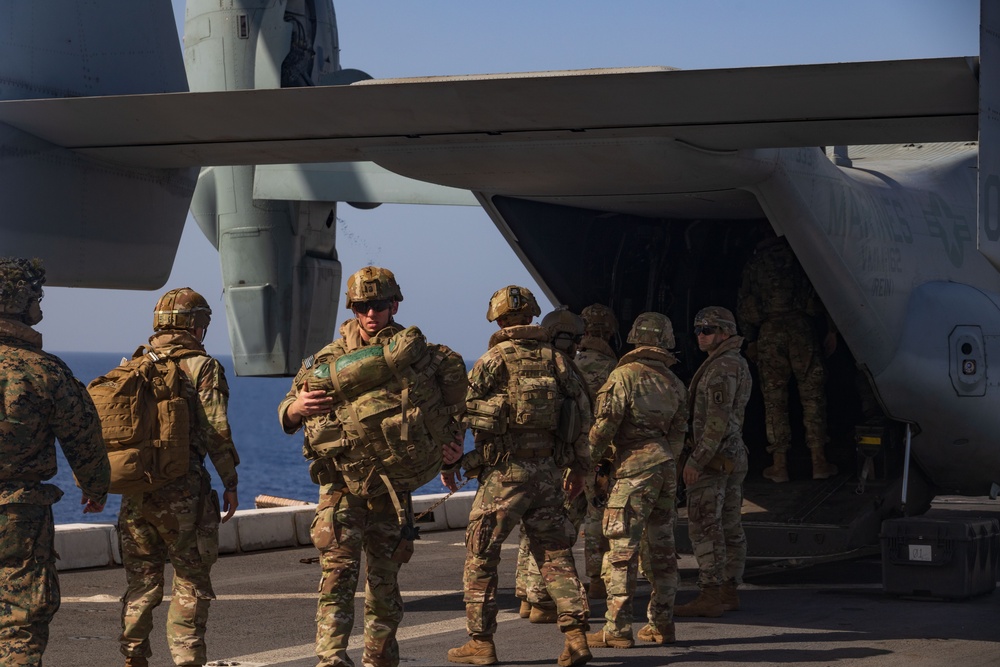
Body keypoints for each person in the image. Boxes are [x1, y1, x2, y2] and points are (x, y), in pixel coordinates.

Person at [278, 266, 467, 667]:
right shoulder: (327, 360)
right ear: (352, 308)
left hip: (392, 490)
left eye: (378, 305)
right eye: (362, 306)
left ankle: (380, 659)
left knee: (384, 584)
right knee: (337, 578)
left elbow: (449, 411)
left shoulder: (414, 356)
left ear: (394, 304)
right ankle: (331, 658)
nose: (370, 313)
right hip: (341, 489)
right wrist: (296, 408)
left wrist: (454, 447)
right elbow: (287, 410)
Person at [445, 286, 593, 667]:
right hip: (548, 472)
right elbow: (582, 415)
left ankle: (481, 643)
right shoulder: (557, 359)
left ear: (497, 319)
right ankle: (576, 637)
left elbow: (461, 414)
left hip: (503, 476)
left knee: (481, 556)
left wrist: (450, 464)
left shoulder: (492, 359)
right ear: (532, 316)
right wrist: (579, 469)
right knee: (556, 555)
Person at [118, 287, 241, 667]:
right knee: (190, 581)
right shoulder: (203, 367)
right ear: (195, 327)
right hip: (183, 494)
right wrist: (230, 482)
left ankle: (133, 656)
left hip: (136, 491)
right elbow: (215, 431)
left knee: (141, 582)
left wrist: (97, 486)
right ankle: (187, 660)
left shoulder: (134, 364)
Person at [0, 257, 110, 667]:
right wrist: (95, 488)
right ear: (22, 302)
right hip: (18, 516)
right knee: (18, 622)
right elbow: (85, 438)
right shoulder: (46, 371)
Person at [585, 312, 688, 649]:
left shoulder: (623, 375)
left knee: (621, 550)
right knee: (662, 548)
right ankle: (662, 623)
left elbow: (606, 425)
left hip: (632, 469)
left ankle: (616, 629)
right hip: (665, 469)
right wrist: (666, 461)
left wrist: (583, 461)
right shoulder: (675, 383)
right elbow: (679, 434)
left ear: (634, 337)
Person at [737, 230, 838, 482]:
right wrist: (831, 329)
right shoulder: (801, 258)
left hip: (769, 332)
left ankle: (779, 465)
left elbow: (744, 304)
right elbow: (824, 293)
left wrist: (750, 339)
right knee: (812, 396)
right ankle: (819, 462)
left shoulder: (754, 264)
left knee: (774, 400)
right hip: (801, 328)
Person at [674, 307, 752, 618]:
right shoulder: (732, 363)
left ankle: (710, 593)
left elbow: (716, 422)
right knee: (730, 525)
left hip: (715, 458)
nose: (700, 336)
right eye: (697, 330)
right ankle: (728, 591)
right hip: (732, 455)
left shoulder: (722, 368)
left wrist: (696, 459)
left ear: (724, 332)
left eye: (707, 329)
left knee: (705, 527)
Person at [514, 307, 589, 623]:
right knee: (556, 533)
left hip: (523, 464)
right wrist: (584, 467)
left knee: (529, 529)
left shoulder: (525, 365)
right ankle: (543, 600)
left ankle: (526, 596)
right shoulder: (568, 371)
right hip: (561, 464)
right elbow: (582, 423)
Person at [574, 303, 619, 601]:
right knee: (597, 515)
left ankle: (535, 591)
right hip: (600, 452)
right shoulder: (615, 370)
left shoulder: (570, 365)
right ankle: (597, 581)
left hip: (569, 451)